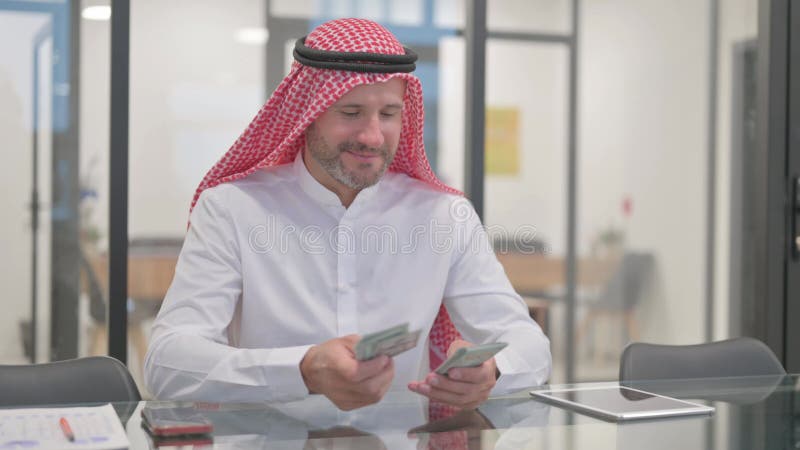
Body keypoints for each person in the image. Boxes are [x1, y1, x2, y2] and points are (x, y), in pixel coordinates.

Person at [144, 18, 551, 411]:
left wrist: (494, 370)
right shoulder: (232, 209)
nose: (372, 136)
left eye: (389, 114)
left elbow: (528, 344)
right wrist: (302, 370)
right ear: (308, 114)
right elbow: (167, 363)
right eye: (351, 113)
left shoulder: (444, 216)